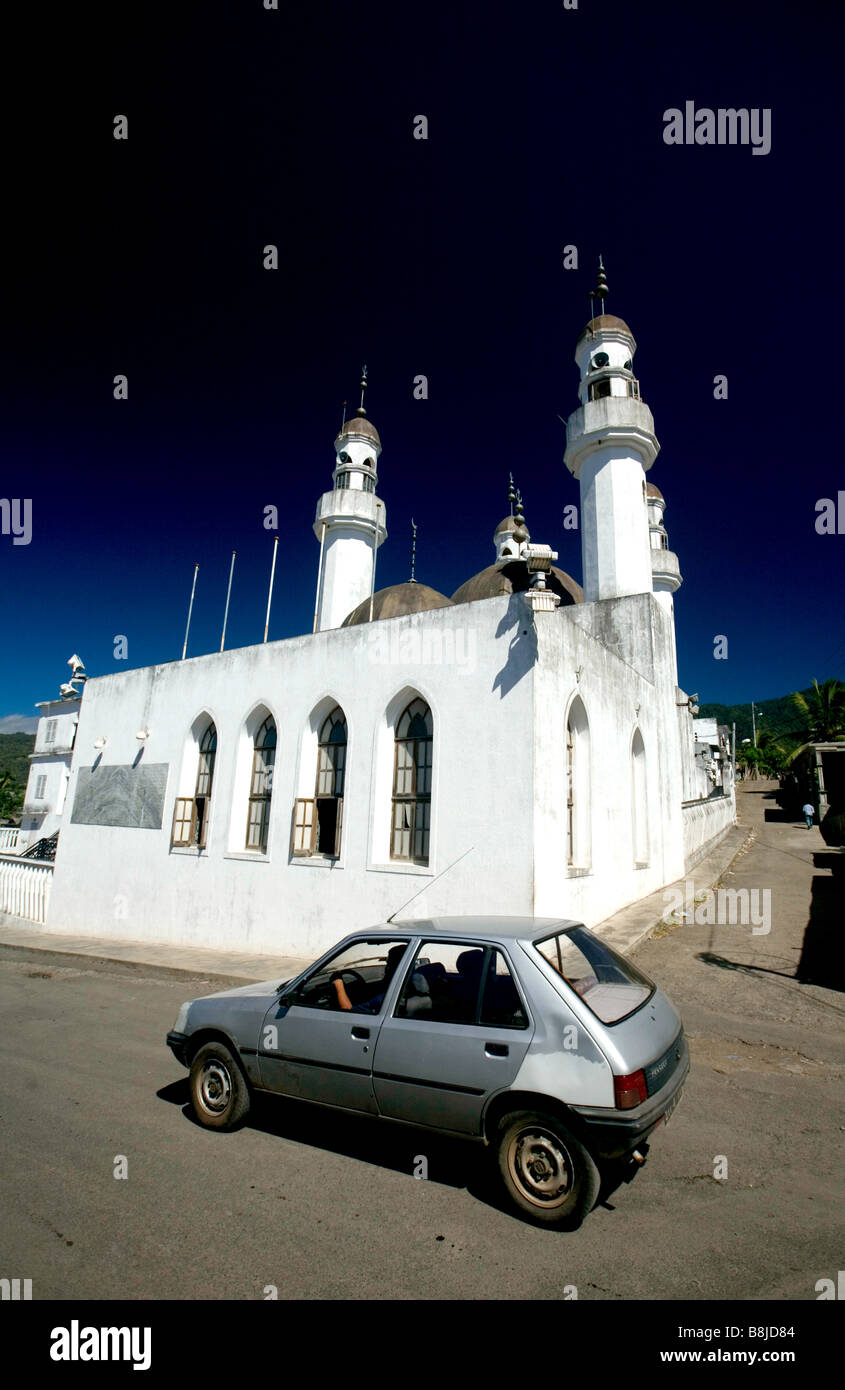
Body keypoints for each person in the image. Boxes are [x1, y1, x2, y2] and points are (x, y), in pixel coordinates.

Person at [331, 944, 408, 1014]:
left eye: (389, 964)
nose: (386, 968)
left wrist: (339, 985)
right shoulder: (406, 984)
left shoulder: (385, 998)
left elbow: (348, 1011)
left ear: (394, 967)